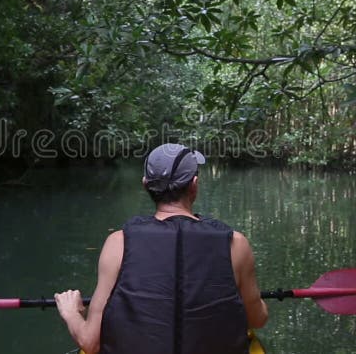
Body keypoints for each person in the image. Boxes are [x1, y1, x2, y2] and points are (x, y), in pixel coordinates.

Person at [55, 143, 268, 354]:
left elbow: (91, 343)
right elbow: (257, 319)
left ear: (146, 185)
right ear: (194, 184)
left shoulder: (118, 243)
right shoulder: (236, 244)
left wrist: (70, 311)